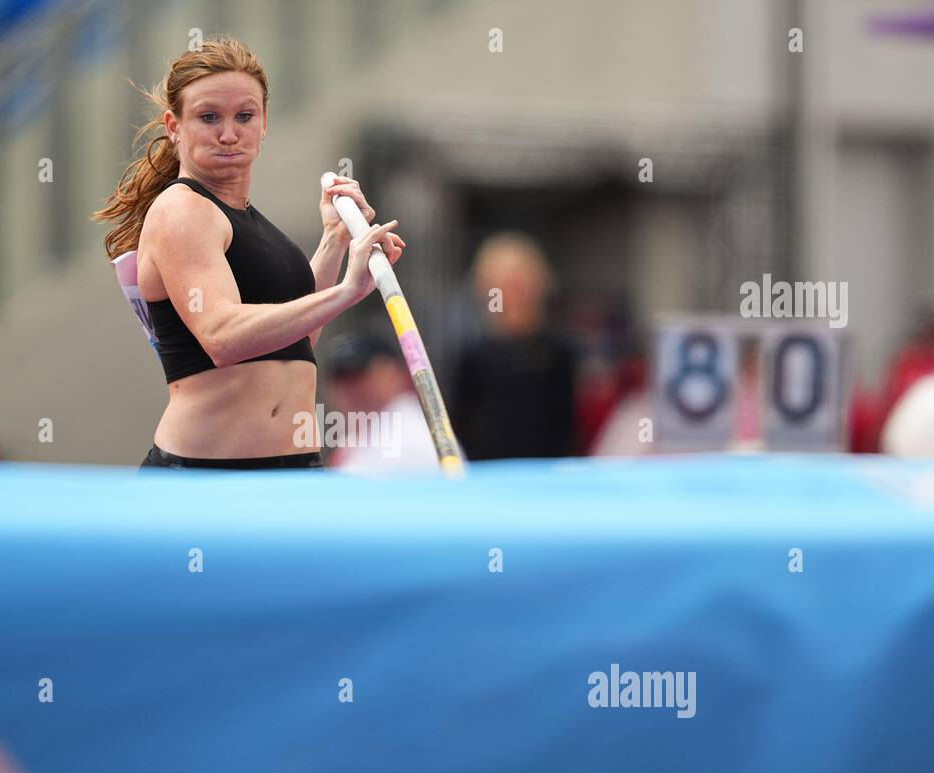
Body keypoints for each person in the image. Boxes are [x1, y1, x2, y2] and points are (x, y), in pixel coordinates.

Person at [93, 36, 405, 470]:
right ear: (173, 126)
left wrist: (334, 239)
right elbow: (223, 337)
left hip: (293, 471)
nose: (228, 133)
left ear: (264, 123)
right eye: (208, 117)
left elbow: (297, 337)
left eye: (244, 116)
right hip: (209, 475)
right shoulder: (182, 209)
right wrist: (348, 291)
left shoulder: (254, 224)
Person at [450, 232, 577, 460]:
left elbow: (567, 425)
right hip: (487, 474)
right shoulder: (474, 356)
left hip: (546, 474)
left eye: (519, 285)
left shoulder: (558, 352)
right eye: (504, 286)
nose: (513, 295)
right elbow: (461, 423)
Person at [325, 332, 443, 475]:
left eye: (359, 374)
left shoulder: (410, 432)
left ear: (395, 372)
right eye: (340, 377)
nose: (349, 387)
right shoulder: (365, 429)